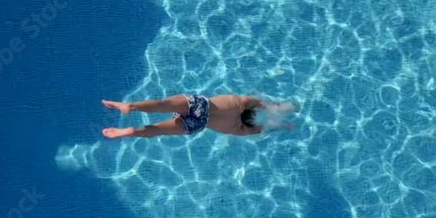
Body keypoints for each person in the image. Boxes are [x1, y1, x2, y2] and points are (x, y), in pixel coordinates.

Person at [101, 94, 296, 138]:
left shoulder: (237, 103)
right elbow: (260, 128)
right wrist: (283, 126)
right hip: (198, 124)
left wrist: (271, 104)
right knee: (158, 130)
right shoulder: (239, 128)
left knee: (163, 105)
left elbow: (250, 100)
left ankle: (131, 106)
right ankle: (130, 133)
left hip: (202, 105)